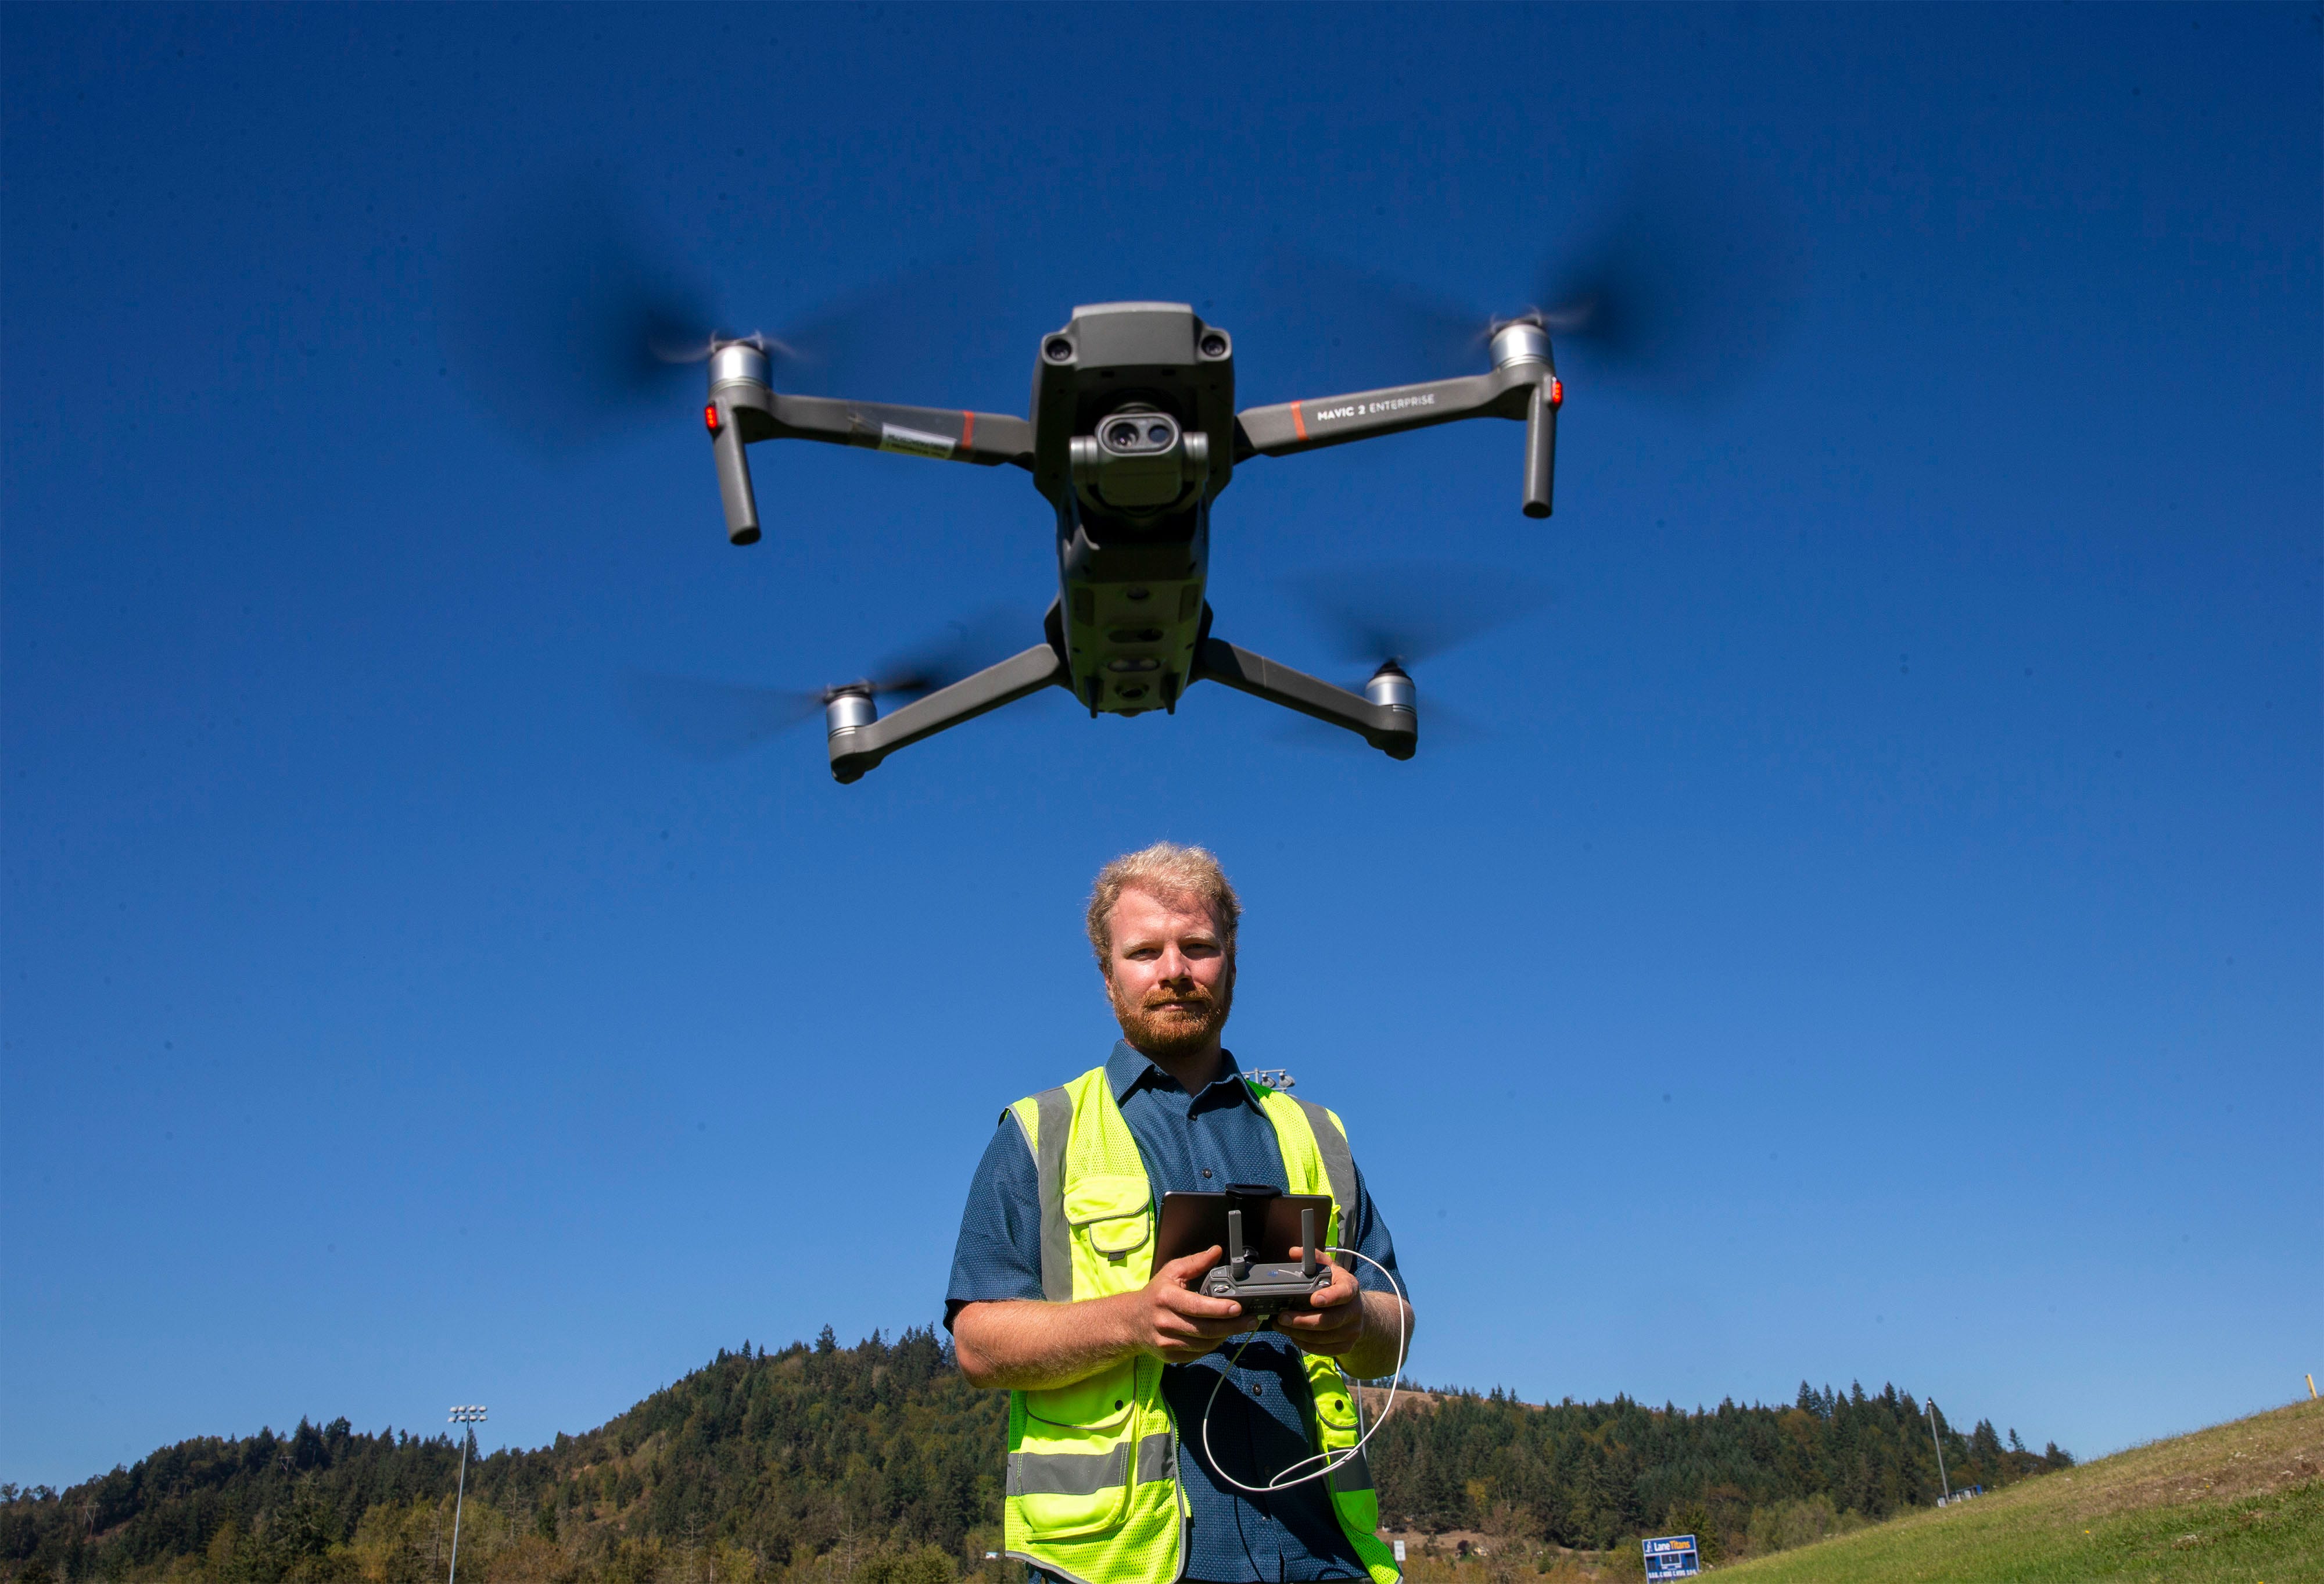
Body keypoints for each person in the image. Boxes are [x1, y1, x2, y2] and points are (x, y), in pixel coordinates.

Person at [947, 843, 1414, 1584]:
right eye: (1144, 951)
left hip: (1322, 1556)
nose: (1173, 970)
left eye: (1197, 946)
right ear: (1108, 978)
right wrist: (1134, 1321)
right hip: (1117, 1563)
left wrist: (1355, 1319)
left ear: (1231, 962)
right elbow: (977, 1344)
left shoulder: (1315, 1133)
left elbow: (1396, 1326)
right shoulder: (1041, 1133)